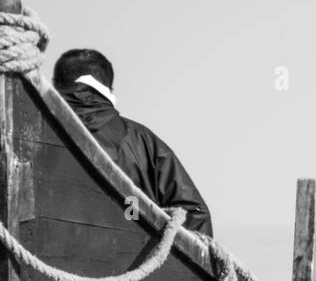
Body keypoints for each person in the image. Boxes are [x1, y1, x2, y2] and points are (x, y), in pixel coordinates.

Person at [52, 49, 213, 234]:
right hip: (134, 258)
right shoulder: (143, 141)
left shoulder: (33, 129)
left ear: (57, 85)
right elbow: (195, 213)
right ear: (108, 89)